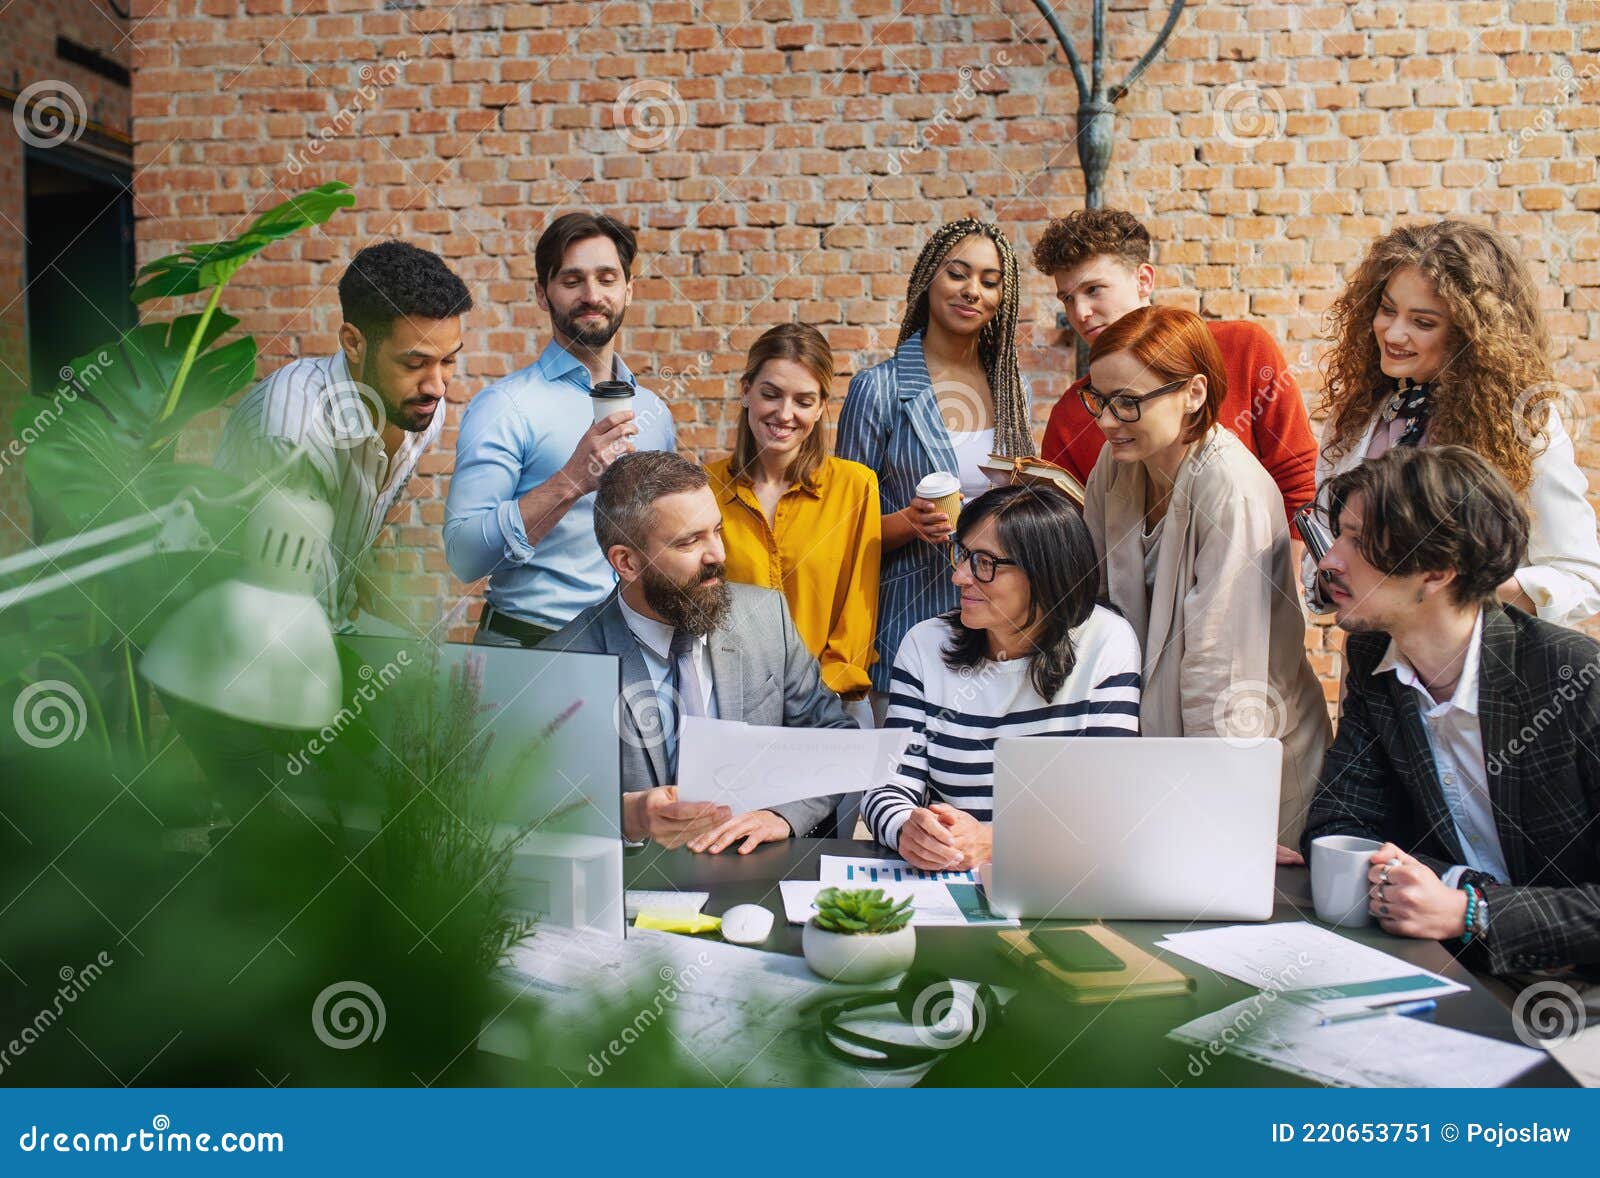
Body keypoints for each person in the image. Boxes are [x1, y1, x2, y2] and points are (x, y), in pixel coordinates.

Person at [1303, 445, 1600, 982]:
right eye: (1336, 537)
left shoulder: (1574, 678)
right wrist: (1447, 892)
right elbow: (1341, 823)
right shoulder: (1375, 657)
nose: (1328, 562)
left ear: (1436, 571)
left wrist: (1473, 910)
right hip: (1448, 970)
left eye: (1356, 542)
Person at [1080, 305, 1329, 850]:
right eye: (1098, 399)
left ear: (1193, 393)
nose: (1105, 421)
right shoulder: (1116, 461)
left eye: (1127, 403)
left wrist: (1216, 813)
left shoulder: (1229, 488)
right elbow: (1094, 608)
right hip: (1160, 748)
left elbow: (1222, 668)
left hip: (1240, 758)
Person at [543, 451, 854, 854]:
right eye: (690, 541)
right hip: (634, 891)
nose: (718, 556)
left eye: (717, 531)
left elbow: (832, 737)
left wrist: (783, 815)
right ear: (627, 562)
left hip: (757, 876)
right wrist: (631, 816)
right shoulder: (563, 663)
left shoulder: (766, 615)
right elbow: (533, 809)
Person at [1310, 218, 1600, 627]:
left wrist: (1454, 588)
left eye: (1423, 322)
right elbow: (1320, 561)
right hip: (1369, 674)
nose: (1393, 333)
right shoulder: (1355, 416)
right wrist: (1332, 576)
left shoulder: (1524, 421)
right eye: (1387, 309)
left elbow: (1581, 579)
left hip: (1483, 678)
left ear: (1470, 334)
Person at [863, 485, 1142, 870]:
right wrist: (908, 829)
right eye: (962, 555)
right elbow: (887, 783)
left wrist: (993, 840)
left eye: (983, 563)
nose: (960, 577)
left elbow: (1113, 801)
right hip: (949, 882)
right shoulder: (925, 645)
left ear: (1044, 573)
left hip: (1064, 878)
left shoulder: (1105, 640)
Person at [444, 212, 675, 647]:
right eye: (572, 281)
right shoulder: (505, 407)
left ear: (629, 290)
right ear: (541, 293)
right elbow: (464, 556)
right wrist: (571, 480)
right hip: (528, 648)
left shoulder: (655, 412)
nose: (592, 294)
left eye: (607, 279)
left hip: (634, 652)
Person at [217, 239, 471, 628]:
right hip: (247, 641)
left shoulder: (418, 409)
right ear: (353, 343)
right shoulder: (297, 432)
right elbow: (295, 602)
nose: (437, 385)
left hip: (327, 624)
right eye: (415, 362)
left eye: (449, 360)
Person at [836, 218, 1034, 717]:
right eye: (958, 274)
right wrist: (907, 523)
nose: (973, 292)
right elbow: (835, 530)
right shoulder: (878, 389)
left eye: (991, 282)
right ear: (928, 279)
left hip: (996, 630)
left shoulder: (1014, 394)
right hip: (905, 625)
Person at [1032, 209, 1316, 521]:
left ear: (1143, 280)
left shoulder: (1243, 348)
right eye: (1068, 299)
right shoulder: (1070, 414)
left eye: (1093, 290)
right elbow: (1066, 535)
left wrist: (1286, 569)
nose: (1081, 312)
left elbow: (1297, 477)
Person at [706, 323, 881, 707]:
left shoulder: (855, 487)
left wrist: (817, 698)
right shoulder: (705, 488)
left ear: (821, 408)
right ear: (746, 391)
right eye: (771, 394)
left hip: (830, 705)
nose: (785, 414)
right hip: (728, 702)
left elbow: (857, 615)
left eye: (803, 401)